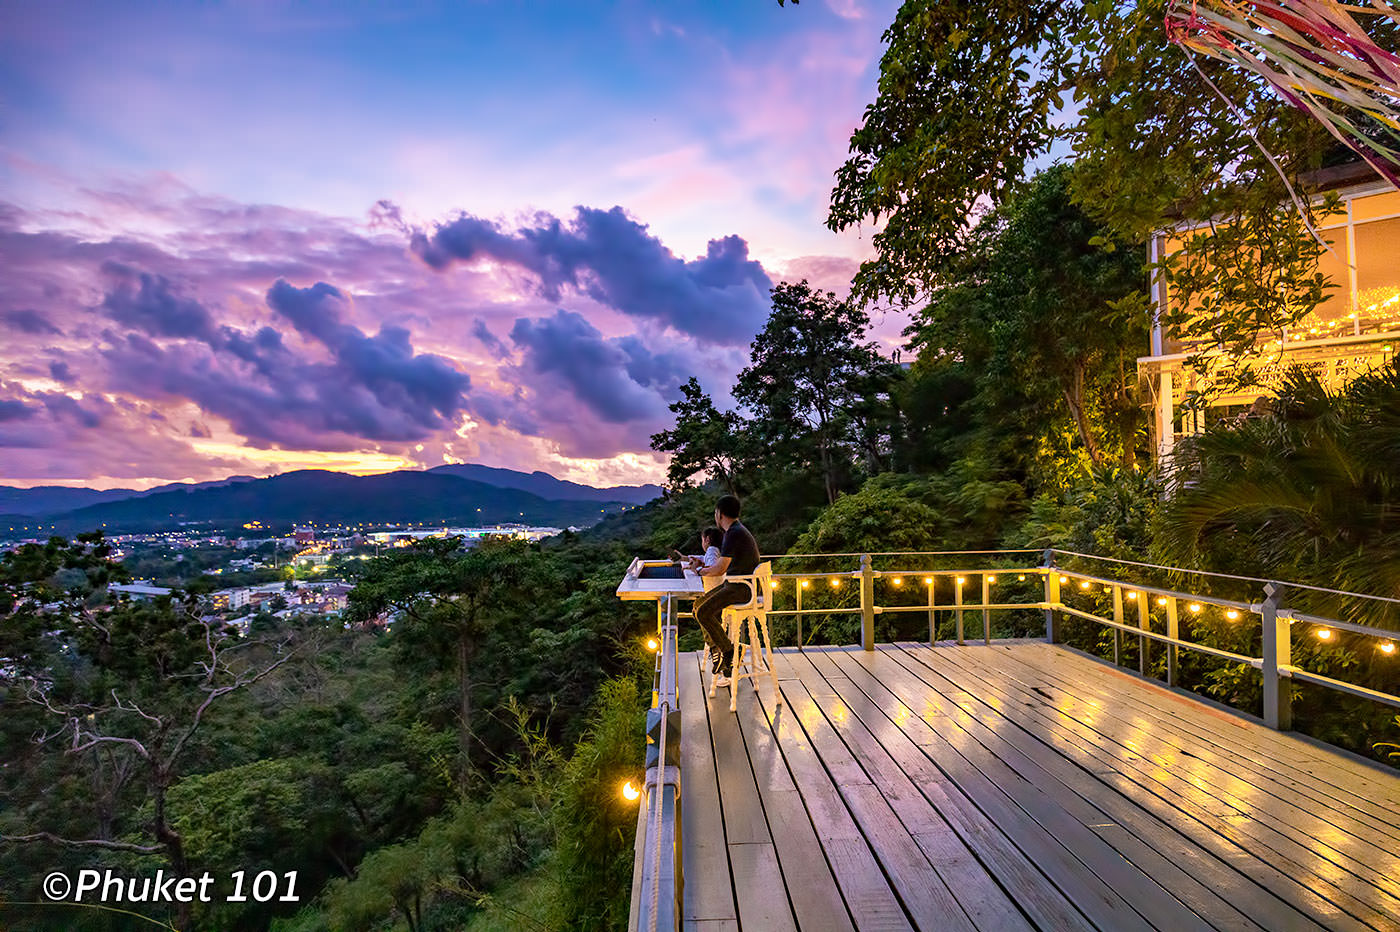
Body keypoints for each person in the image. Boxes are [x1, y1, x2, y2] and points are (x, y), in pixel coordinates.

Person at [692, 495, 761, 685]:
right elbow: (721, 565)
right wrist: (703, 567)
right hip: (738, 584)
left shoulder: (733, 533)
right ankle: (719, 650)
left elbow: (720, 568)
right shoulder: (738, 531)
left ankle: (729, 651)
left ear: (719, 514)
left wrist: (699, 570)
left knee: (704, 612)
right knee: (698, 605)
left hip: (741, 588)